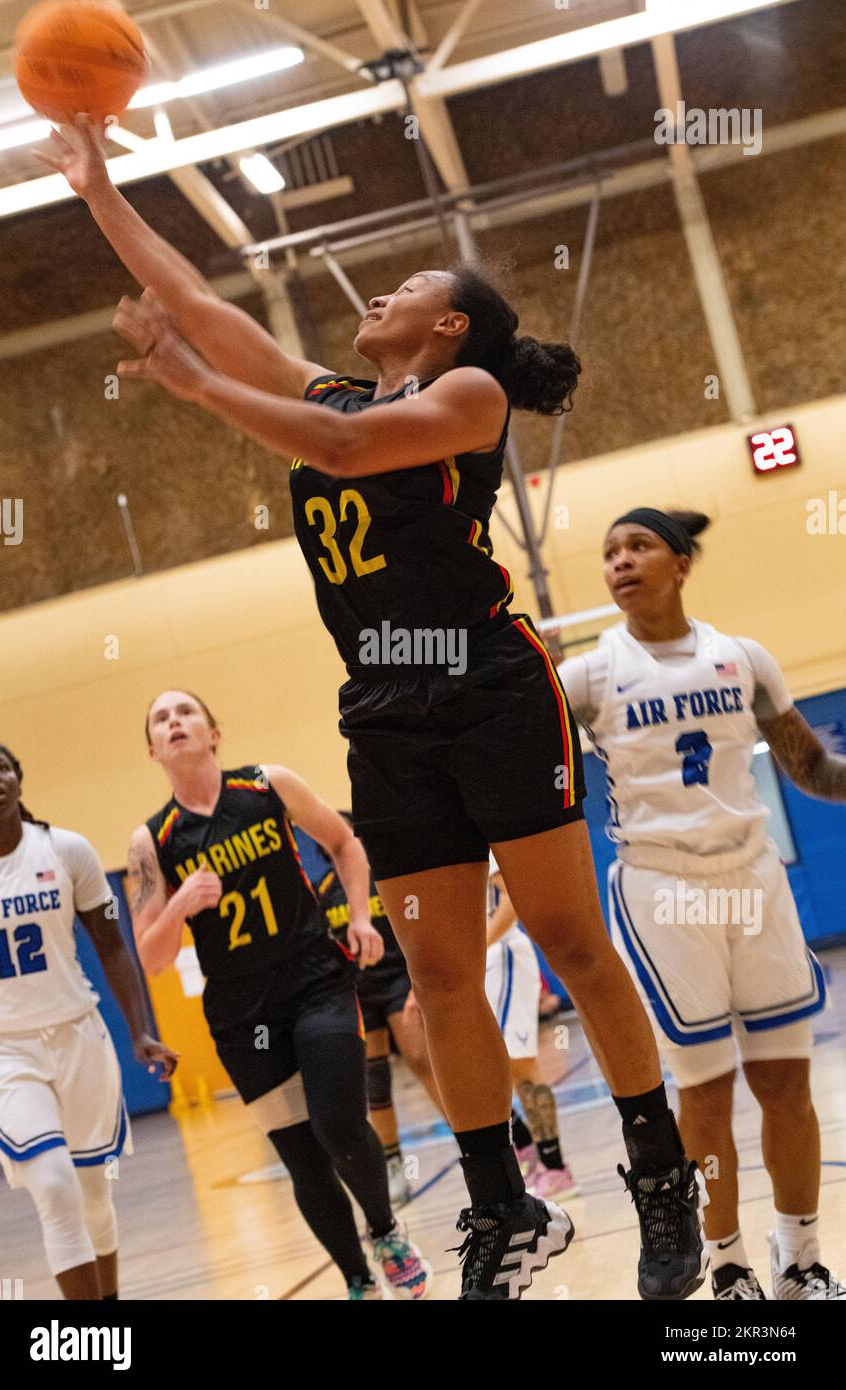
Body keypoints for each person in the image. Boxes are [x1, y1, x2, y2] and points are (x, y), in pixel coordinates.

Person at [41, 115, 707, 1301]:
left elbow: (342, 451)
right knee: (438, 976)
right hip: (384, 714)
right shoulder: (348, 387)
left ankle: (661, 1180)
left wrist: (197, 389)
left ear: (446, 323)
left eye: (404, 284)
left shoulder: (467, 400)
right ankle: (500, 1213)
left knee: (565, 939)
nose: (378, 293)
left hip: (492, 688)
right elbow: (202, 301)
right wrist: (101, 188)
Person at [557, 507, 846, 1300]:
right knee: (705, 1089)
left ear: (680, 563)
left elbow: (813, 772)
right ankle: (727, 1265)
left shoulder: (742, 659)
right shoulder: (584, 679)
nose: (620, 561)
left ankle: (802, 1258)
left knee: (787, 1080)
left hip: (754, 876)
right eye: (610, 551)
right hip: (662, 886)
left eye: (639, 546)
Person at [129, 689, 430, 1300]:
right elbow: (152, 957)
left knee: (339, 1123)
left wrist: (361, 918)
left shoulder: (269, 785)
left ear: (214, 733)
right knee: (301, 1157)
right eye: (161, 719)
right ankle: (355, 1278)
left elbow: (345, 842)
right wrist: (181, 905)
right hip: (241, 1012)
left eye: (185, 712)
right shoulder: (152, 841)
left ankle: (386, 1230)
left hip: (314, 978)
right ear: (153, 750)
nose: (174, 722)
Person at [0, 741, 176, 1300]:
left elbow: (112, 946)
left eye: (1, 768)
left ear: (18, 779)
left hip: (77, 1036)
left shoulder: (68, 850)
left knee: (94, 1193)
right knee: (55, 1186)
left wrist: (138, 1031)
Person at [311, 821, 443, 1208]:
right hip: (358, 989)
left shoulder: (381, 872)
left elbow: (416, 923)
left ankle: (474, 1140)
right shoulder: (323, 889)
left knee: (422, 1061)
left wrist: (420, 979)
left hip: (399, 980)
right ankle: (393, 1165)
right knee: (375, 1082)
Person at [486, 856, 579, 1201]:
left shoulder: (478, 832)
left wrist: (478, 946)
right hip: (479, 965)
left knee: (520, 1063)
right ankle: (523, 1145)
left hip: (502, 954)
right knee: (484, 1066)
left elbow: (512, 899)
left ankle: (556, 1168)